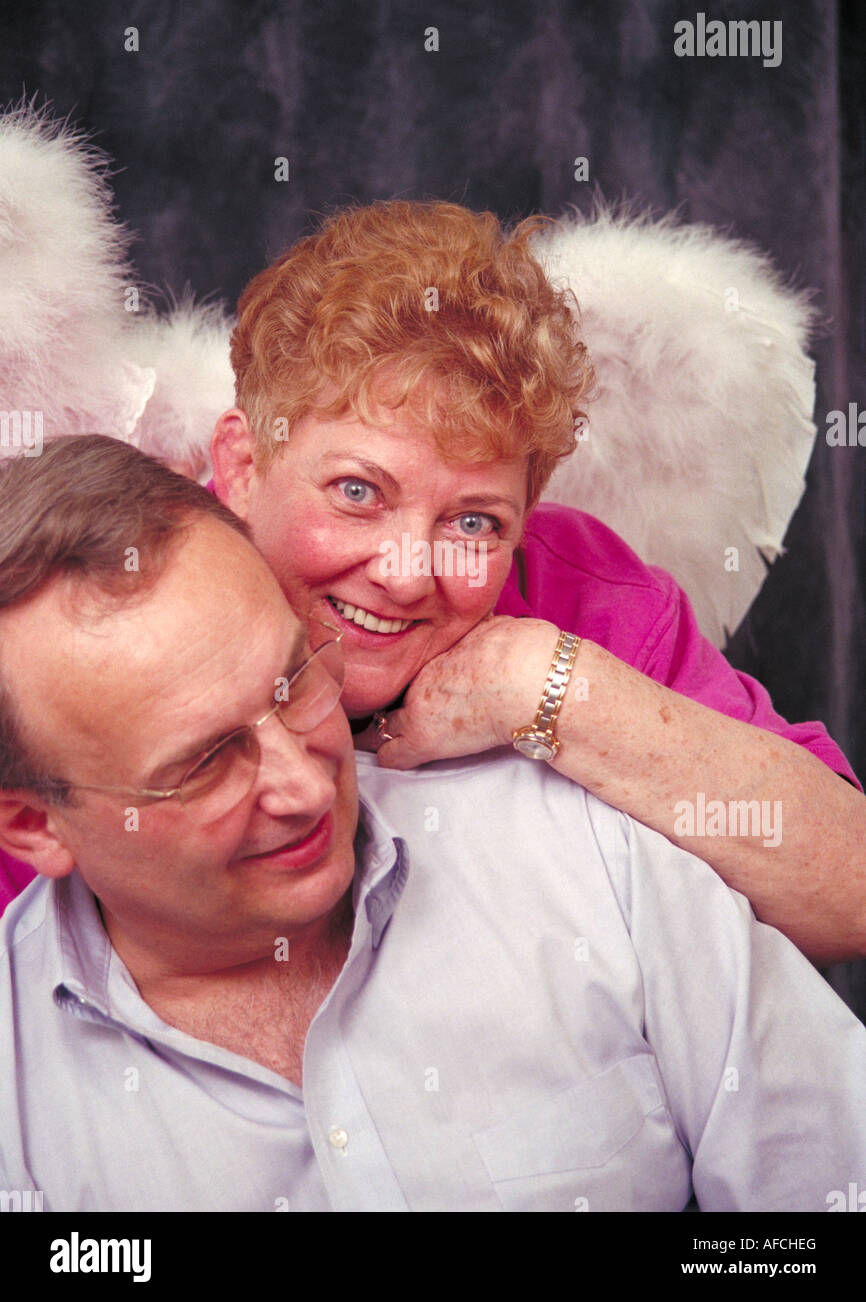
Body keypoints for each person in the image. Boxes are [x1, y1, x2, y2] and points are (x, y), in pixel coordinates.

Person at [1, 436, 865, 1212]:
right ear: (36, 824)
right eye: (204, 763)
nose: (305, 785)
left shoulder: (591, 852)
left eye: (296, 681)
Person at [0, 201, 863, 964]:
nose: (407, 575)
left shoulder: (581, 594)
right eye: (357, 492)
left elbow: (848, 886)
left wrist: (546, 687)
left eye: (475, 522)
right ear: (242, 462)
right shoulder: (107, 610)